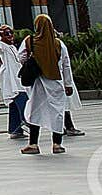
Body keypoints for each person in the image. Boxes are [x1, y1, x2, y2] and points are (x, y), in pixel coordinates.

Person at [20, 14, 75, 155]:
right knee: (57, 112)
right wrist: (68, 84)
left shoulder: (29, 41)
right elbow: (66, 64)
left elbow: (21, 57)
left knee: (35, 111)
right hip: (55, 82)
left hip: (37, 83)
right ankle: (57, 144)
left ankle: (33, 144)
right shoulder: (58, 44)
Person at [0, 25, 28, 138]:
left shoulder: (12, 47)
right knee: (22, 102)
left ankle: (15, 130)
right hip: (11, 81)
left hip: (17, 79)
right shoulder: (2, 46)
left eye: (11, 33)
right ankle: (27, 123)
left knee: (14, 106)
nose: (10, 36)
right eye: (6, 34)